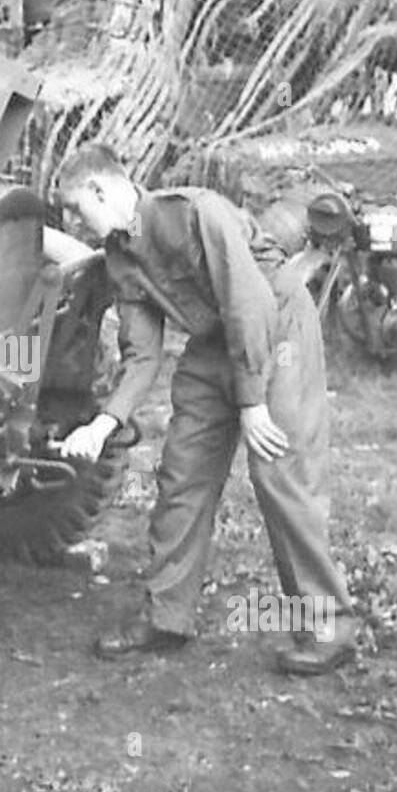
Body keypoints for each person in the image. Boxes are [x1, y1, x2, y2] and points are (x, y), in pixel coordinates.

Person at [54, 143, 356, 675]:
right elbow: (143, 353)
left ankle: (328, 627)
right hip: (213, 342)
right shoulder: (122, 256)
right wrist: (104, 423)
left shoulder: (194, 213)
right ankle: (167, 616)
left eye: (79, 209)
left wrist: (252, 402)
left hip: (275, 326)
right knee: (182, 473)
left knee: (280, 472)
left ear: (101, 190)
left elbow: (250, 304)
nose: (77, 225)